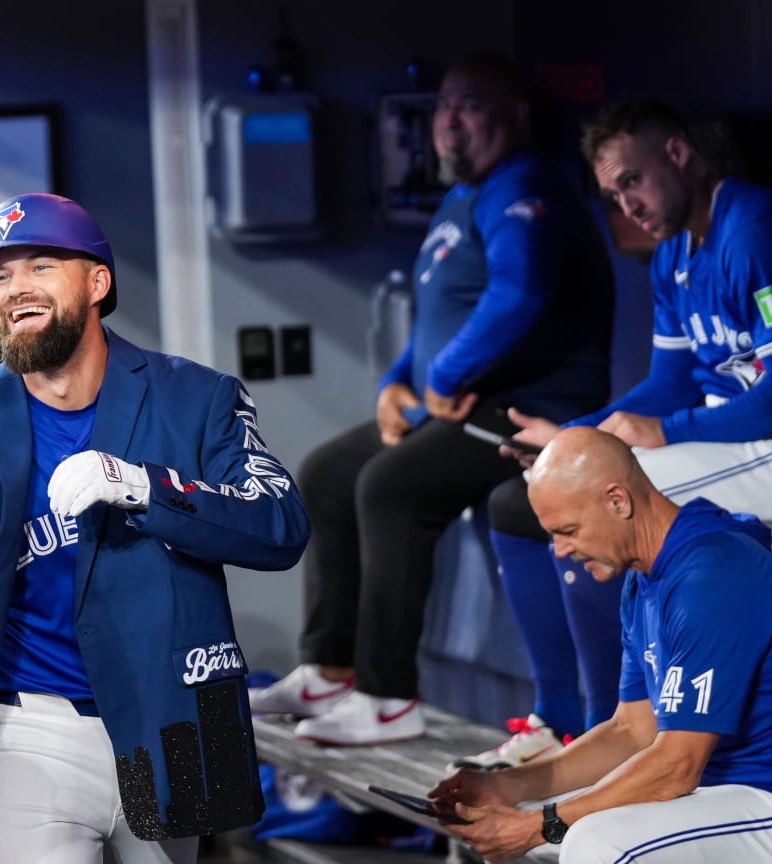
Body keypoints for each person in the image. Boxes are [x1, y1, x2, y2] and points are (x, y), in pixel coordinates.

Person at [0, 192, 311, 862]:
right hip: (23, 734)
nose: (16, 288)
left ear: (97, 282)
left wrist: (144, 487)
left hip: (169, 719)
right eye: (0, 276)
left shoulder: (199, 400)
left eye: (41, 266)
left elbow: (281, 523)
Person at [247, 52, 615, 745]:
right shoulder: (460, 200)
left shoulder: (523, 185)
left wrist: (442, 378)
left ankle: (388, 699)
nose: (450, 121)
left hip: (526, 406)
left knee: (389, 486)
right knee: (328, 473)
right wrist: (397, 384)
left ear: (516, 115)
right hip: (457, 401)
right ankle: (330, 668)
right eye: (444, 106)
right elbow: (436, 314)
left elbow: (520, 293)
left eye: (471, 105)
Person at [464, 100, 772, 772]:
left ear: (678, 154)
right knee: (526, 499)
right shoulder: (672, 256)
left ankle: (614, 731)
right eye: (612, 194)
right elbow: (667, 382)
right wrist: (574, 440)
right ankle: (565, 718)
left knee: (606, 500)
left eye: (632, 180)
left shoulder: (752, 230)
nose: (626, 205)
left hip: (764, 445)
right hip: (722, 440)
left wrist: (660, 432)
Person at [432, 426, 772, 863]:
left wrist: (540, 825)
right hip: (727, 788)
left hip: (760, 790)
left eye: (568, 530)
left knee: (597, 843)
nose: (559, 551)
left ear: (618, 501)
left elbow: (676, 767)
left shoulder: (713, 573)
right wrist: (506, 786)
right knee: (563, 830)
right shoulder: (643, 577)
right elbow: (633, 730)